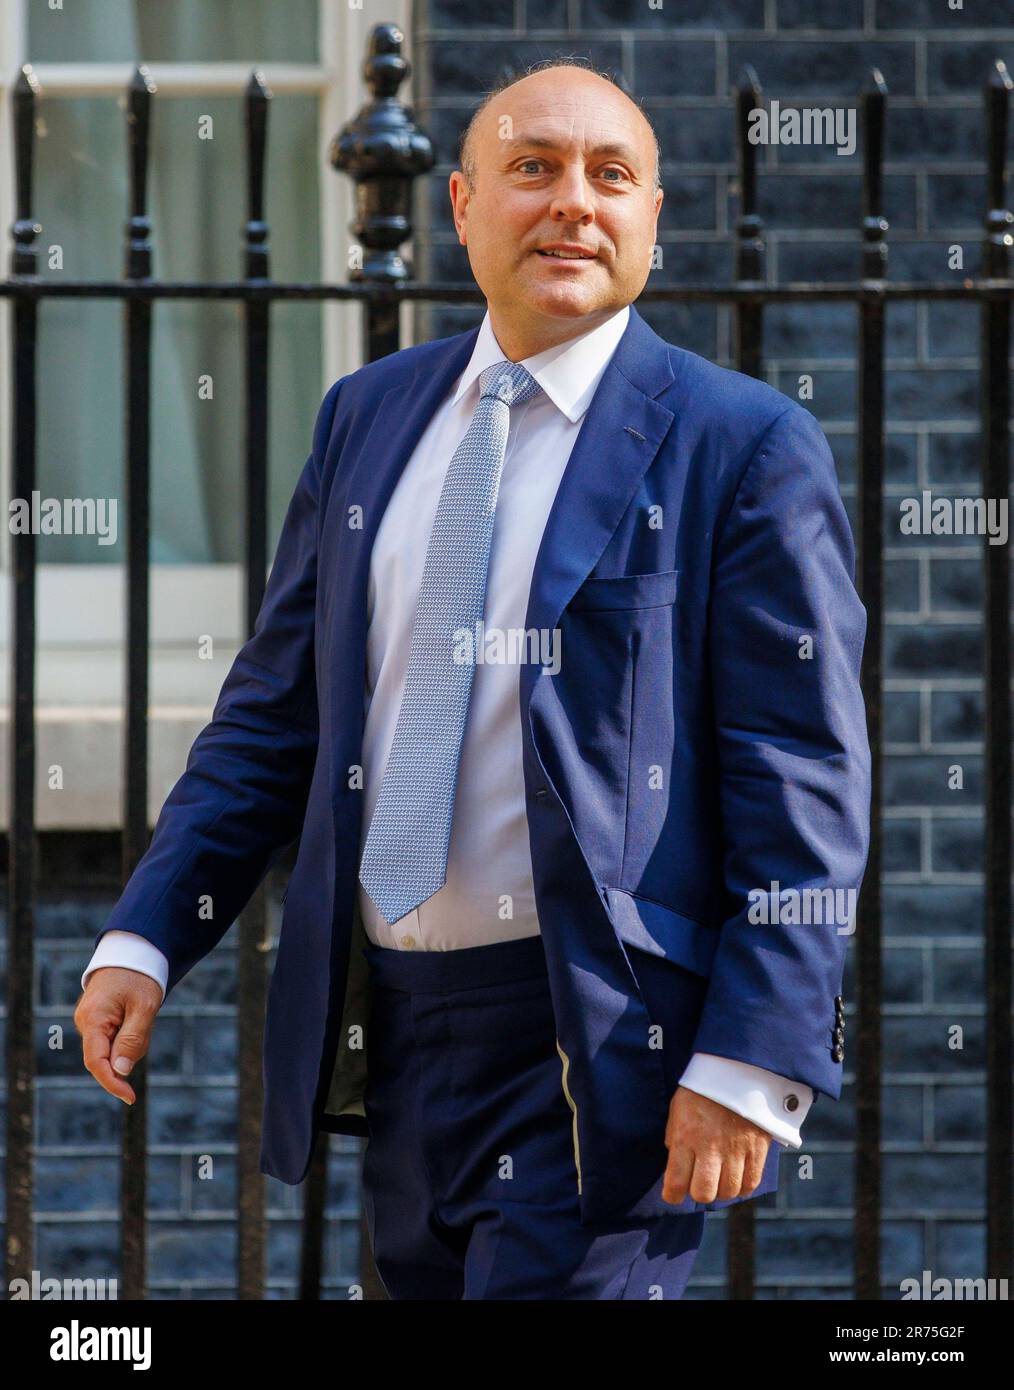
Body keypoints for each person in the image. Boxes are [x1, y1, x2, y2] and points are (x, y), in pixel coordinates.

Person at [75, 58, 870, 1300]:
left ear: (654, 218)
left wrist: (753, 1058)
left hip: (599, 1043)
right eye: (534, 168)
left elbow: (801, 772)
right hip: (393, 1034)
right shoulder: (365, 417)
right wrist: (147, 932)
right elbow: (275, 716)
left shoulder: (746, 445)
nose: (575, 202)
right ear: (461, 203)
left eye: (613, 176)